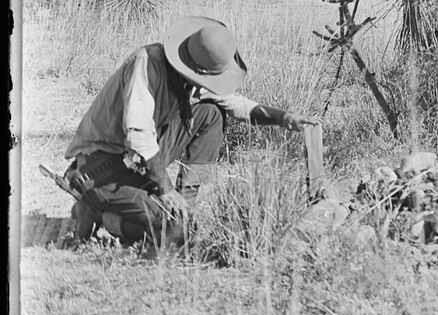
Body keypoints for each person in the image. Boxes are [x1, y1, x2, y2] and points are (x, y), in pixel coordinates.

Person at [62, 15, 320, 249]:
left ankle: (186, 203)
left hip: (135, 164)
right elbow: (139, 134)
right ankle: (100, 214)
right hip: (99, 169)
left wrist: (283, 118)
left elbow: (236, 104)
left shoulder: (188, 74)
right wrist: (165, 189)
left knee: (211, 113)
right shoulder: (147, 64)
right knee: (178, 231)